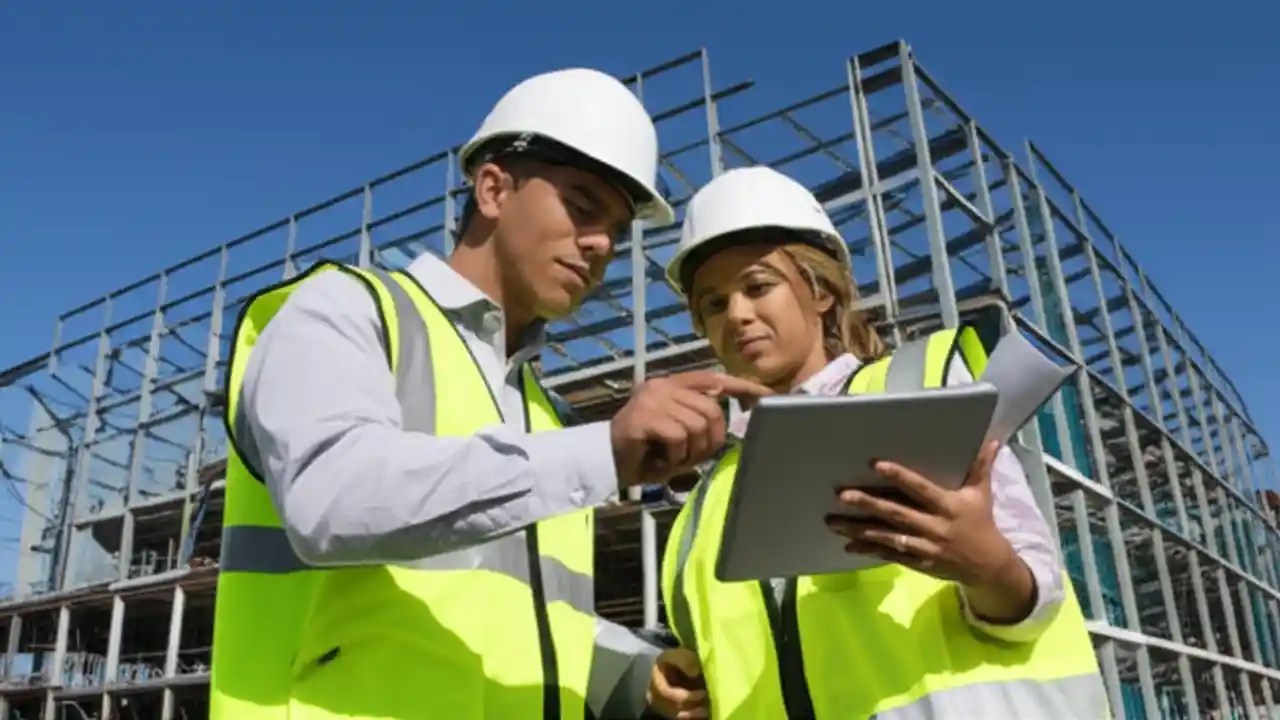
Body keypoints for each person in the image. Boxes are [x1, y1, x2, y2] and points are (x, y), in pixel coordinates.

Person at [208, 67, 771, 720]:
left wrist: (641, 674)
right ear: (494, 188)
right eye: (583, 206)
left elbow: (536, 621)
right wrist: (604, 451)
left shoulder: (541, 413)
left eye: (617, 232)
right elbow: (329, 498)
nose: (600, 245)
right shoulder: (343, 309)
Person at [646, 165, 1108, 719]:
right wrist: (676, 682)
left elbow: (1036, 593)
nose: (738, 314)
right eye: (714, 304)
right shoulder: (702, 504)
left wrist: (986, 567)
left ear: (820, 292)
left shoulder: (917, 391)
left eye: (758, 286)